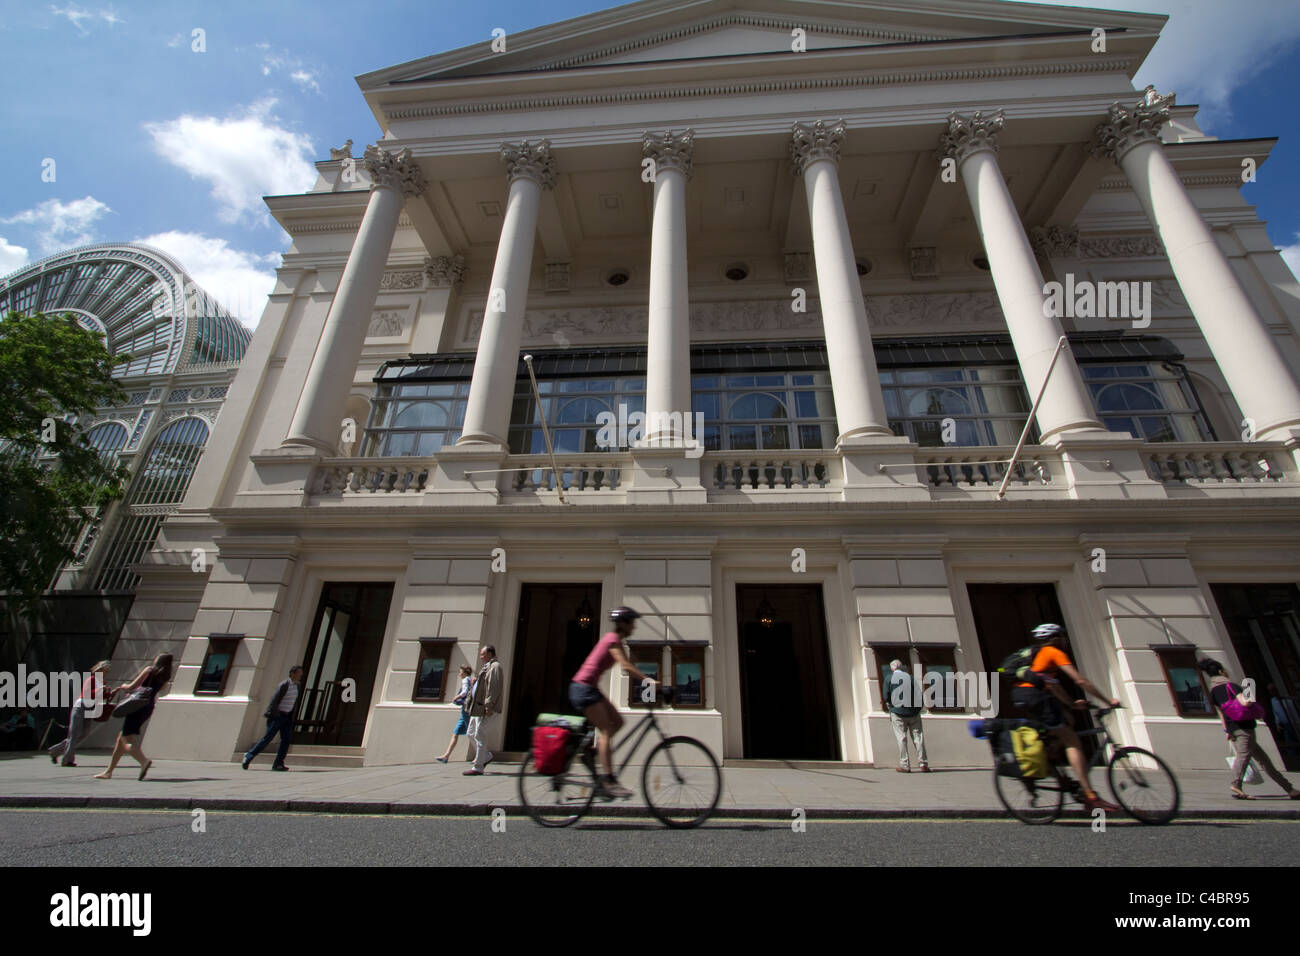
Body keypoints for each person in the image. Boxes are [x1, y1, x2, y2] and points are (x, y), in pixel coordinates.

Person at [1011, 623, 1120, 812]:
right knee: (1073, 741)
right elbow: (1080, 680)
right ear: (1054, 638)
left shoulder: (1040, 658)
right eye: (1062, 637)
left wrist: (1071, 704)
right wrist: (1107, 700)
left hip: (1025, 695)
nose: (1064, 641)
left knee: (1068, 720)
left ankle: (1049, 757)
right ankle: (1090, 795)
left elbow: (1053, 685)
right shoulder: (1053, 652)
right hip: (1035, 697)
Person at [568, 606, 655, 799]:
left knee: (619, 721)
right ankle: (609, 780)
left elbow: (627, 664)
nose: (634, 626)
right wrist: (649, 681)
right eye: (631, 622)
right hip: (583, 689)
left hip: (589, 688)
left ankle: (593, 751)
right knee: (607, 729)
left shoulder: (617, 642)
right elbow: (625, 666)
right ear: (623, 624)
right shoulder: (613, 640)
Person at [1200, 659, 1300, 800]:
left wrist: (1227, 731)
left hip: (1233, 728)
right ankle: (1236, 784)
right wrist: (1250, 690)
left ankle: (1290, 789)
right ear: (1221, 671)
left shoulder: (1214, 691)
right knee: (1244, 756)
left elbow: (1221, 713)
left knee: (1265, 762)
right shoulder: (1231, 686)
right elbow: (1245, 703)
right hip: (1244, 728)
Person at [94, 653, 172, 780]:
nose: (155, 658)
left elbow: (132, 687)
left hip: (136, 705)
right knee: (121, 737)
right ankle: (109, 771)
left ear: (159, 660)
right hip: (148, 706)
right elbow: (158, 691)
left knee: (126, 739)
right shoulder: (165, 677)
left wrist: (123, 686)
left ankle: (144, 761)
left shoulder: (149, 670)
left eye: (157, 657)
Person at [48, 660, 111, 767]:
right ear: (99, 670)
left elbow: (100, 697)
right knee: (74, 734)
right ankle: (67, 760)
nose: (105, 672)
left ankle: (55, 751)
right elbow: (87, 694)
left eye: (106, 670)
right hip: (81, 706)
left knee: (83, 734)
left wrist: (109, 693)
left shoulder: (102, 682)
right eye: (104, 670)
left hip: (90, 708)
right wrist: (100, 689)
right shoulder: (91, 679)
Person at [242, 665, 304, 771]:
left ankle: (278, 763)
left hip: (288, 717)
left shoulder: (297, 685)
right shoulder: (284, 684)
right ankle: (249, 755)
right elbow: (274, 700)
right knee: (268, 738)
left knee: (286, 740)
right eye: (298, 673)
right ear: (292, 673)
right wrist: (273, 714)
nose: (300, 676)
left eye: (301, 674)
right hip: (278, 716)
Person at [463, 646, 503, 776]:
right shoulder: (486, 666)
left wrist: (489, 705)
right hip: (478, 707)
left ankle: (478, 766)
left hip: (486, 708)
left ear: (490, 654)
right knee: (470, 732)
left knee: (480, 733)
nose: (480, 657)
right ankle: (485, 756)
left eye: (483, 654)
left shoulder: (495, 666)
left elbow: (494, 687)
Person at [886, 659, 929, 772]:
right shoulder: (910, 677)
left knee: (901, 738)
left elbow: (886, 696)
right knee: (918, 738)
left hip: (898, 712)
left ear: (892, 668)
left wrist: (891, 708)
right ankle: (923, 763)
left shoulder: (889, 678)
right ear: (901, 667)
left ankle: (905, 765)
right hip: (913, 712)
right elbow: (919, 694)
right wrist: (918, 709)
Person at [435, 665, 474, 764]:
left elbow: (465, 692)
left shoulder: (465, 680)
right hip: (465, 710)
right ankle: (446, 756)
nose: (459, 673)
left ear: (464, 672)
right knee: (456, 732)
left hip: (465, 710)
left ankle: (481, 755)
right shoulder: (470, 680)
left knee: (472, 733)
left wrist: (456, 697)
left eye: (460, 671)